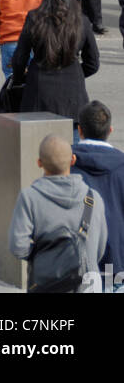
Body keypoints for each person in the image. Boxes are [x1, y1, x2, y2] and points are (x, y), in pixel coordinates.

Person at [9, 134, 107, 294]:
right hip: (88, 284)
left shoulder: (30, 197)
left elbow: (17, 246)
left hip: (47, 283)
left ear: (39, 163)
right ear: (73, 160)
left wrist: (45, 254)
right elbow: (100, 248)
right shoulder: (93, 197)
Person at [12, 0, 100, 122]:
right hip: (73, 96)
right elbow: (93, 62)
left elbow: (20, 58)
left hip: (39, 91)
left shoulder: (34, 18)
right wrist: (76, 74)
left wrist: (20, 79)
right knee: (72, 143)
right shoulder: (81, 20)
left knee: (37, 143)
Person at [73, 101, 124, 287]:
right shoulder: (121, 164)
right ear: (110, 130)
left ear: (79, 130)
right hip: (118, 262)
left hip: (79, 264)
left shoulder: (65, 163)